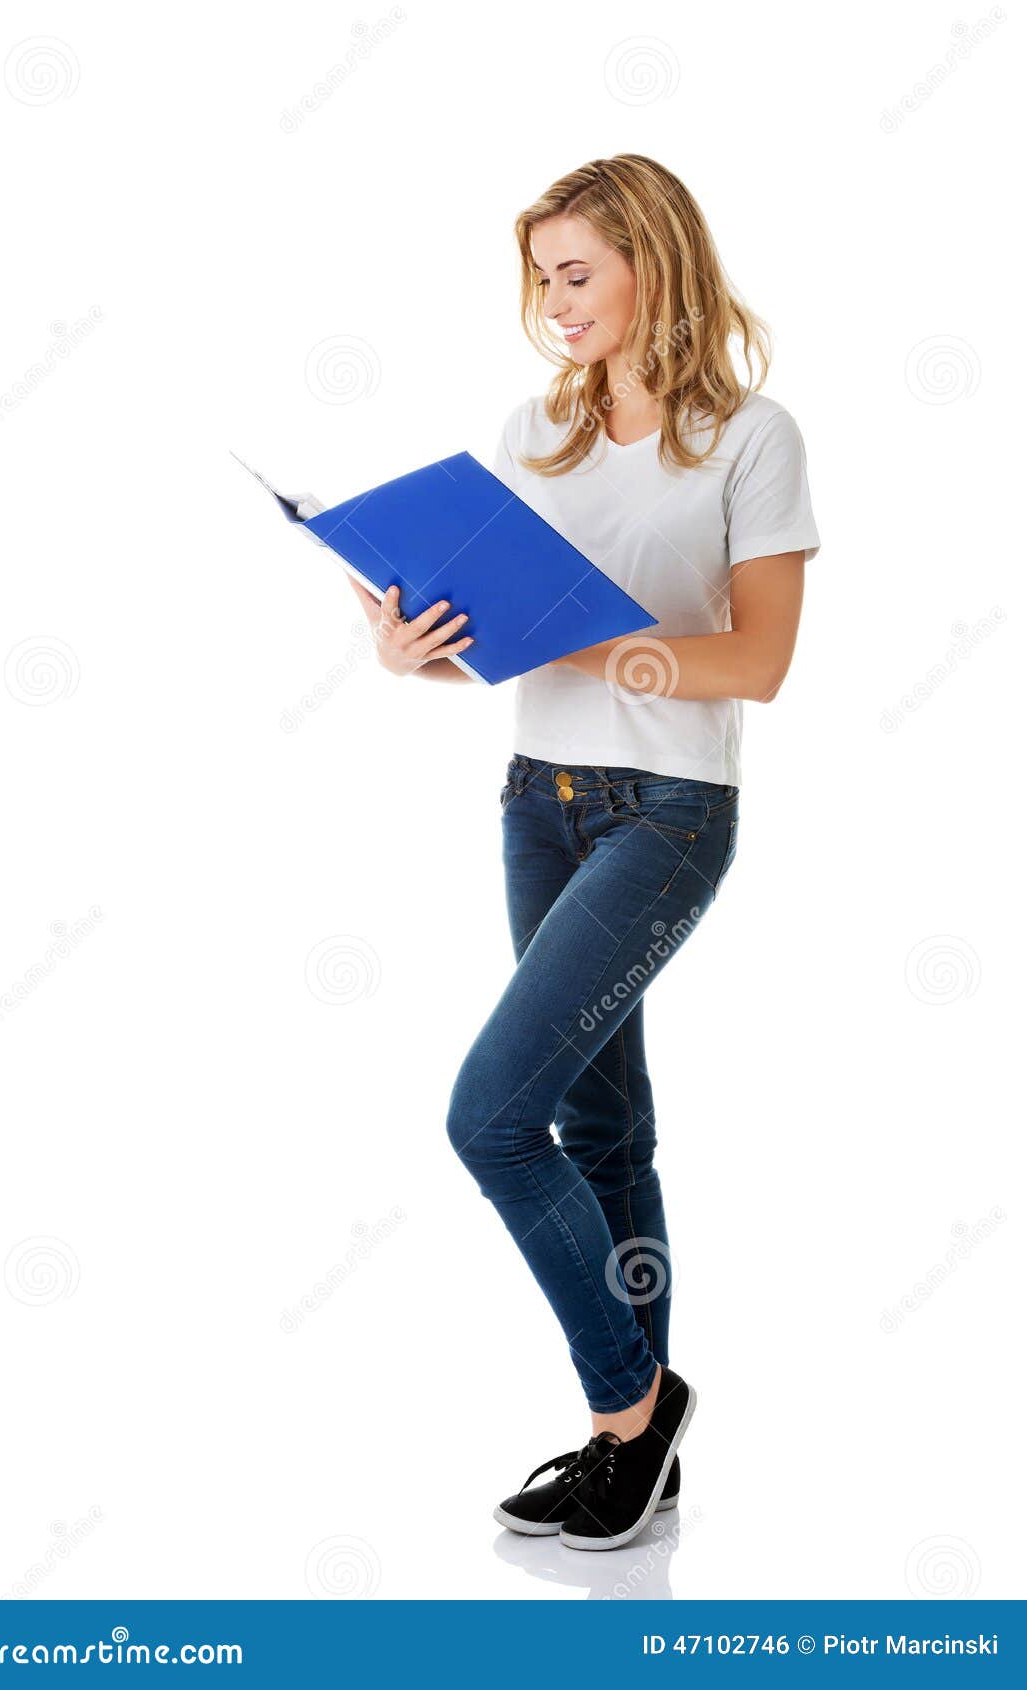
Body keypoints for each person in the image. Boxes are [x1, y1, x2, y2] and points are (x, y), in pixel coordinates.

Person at [348, 153, 820, 1552]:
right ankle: (645, 1464)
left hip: (667, 814)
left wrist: (609, 642)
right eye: (540, 277)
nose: (553, 302)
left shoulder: (750, 433)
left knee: (492, 1114)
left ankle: (634, 1405)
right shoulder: (531, 433)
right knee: (602, 1126)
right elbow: (504, 654)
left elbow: (765, 662)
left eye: (576, 274)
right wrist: (407, 652)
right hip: (536, 798)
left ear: (651, 267)